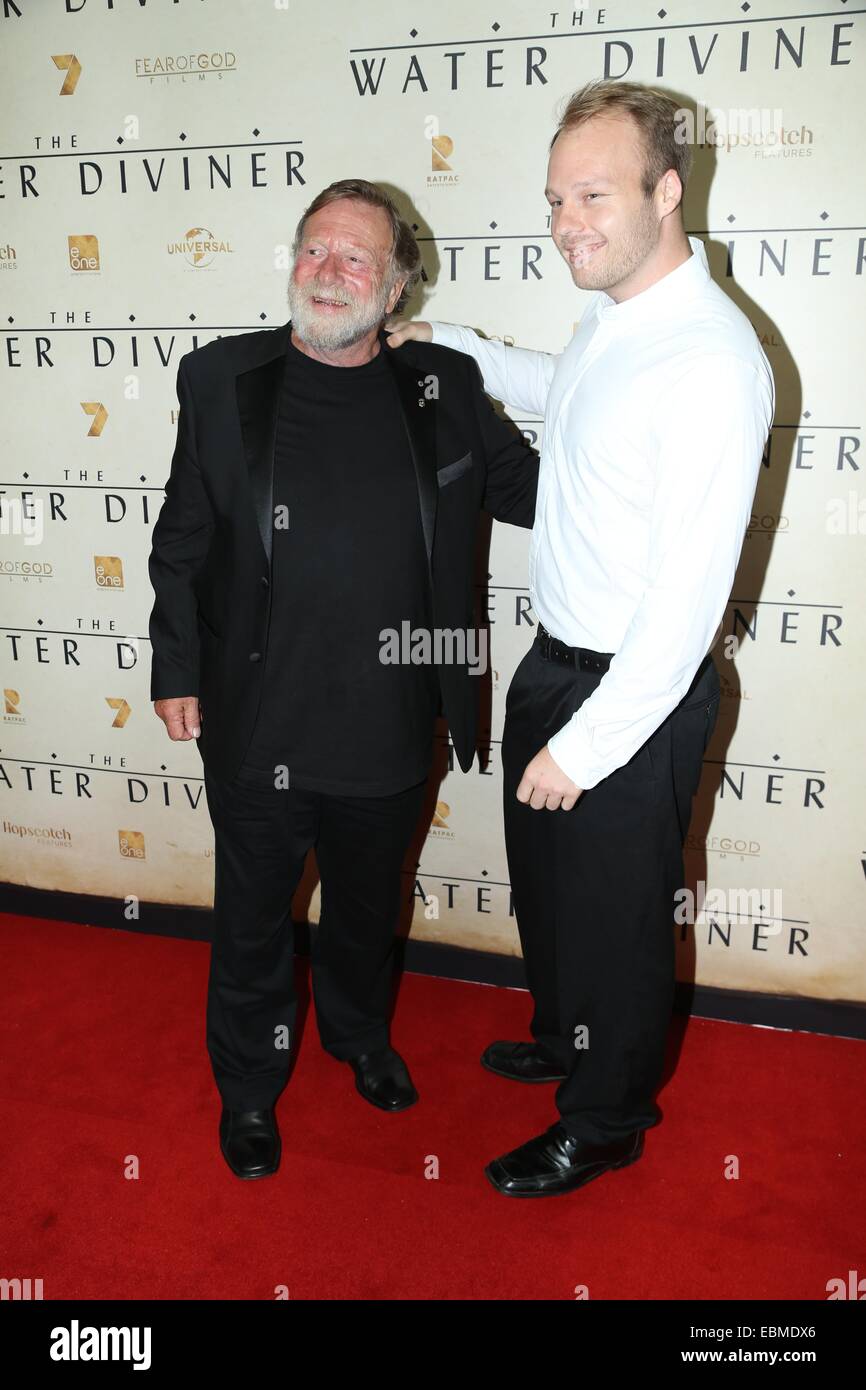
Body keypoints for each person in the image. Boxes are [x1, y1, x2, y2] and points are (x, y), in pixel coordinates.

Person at [387, 81, 774, 1198]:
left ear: (667, 190)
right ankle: (567, 1037)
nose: (565, 222)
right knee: (551, 897)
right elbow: (560, 391)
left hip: (629, 698)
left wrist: (588, 743)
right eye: (555, 198)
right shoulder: (614, 319)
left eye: (592, 194)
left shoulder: (709, 359)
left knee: (613, 922)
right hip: (556, 666)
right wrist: (441, 340)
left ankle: (603, 1119)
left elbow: (685, 604)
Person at [148, 179, 538, 1180]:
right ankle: (247, 1087)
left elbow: (542, 491)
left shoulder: (444, 386)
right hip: (259, 718)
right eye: (313, 249)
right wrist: (175, 661)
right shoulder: (220, 377)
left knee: (368, 908)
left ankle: (358, 1038)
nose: (327, 271)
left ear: (396, 285)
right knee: (251, 918)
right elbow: (183, 540)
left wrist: (631, 402)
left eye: (354, 257)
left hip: (395, 721)